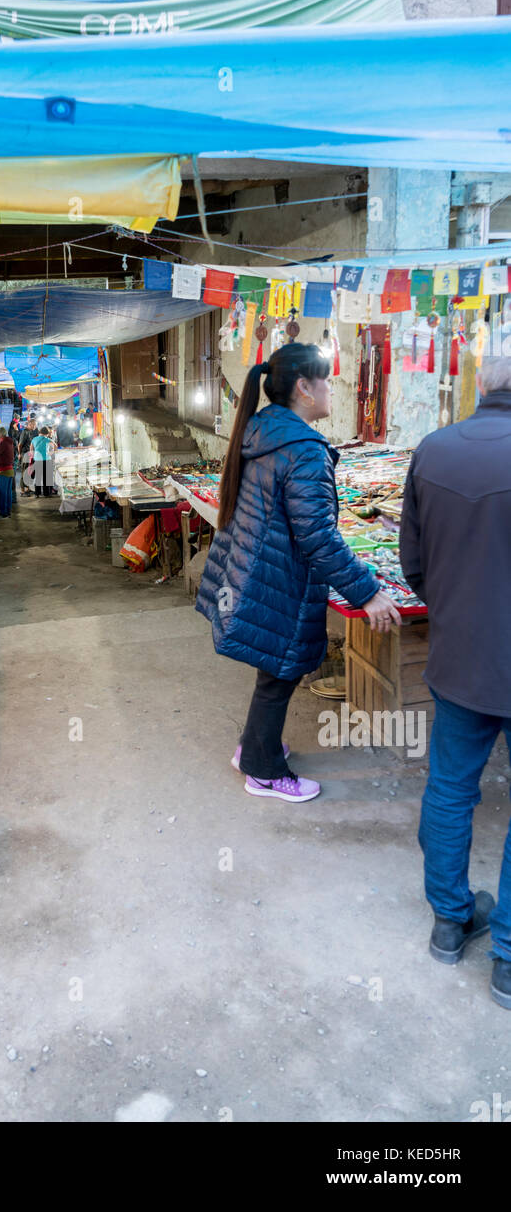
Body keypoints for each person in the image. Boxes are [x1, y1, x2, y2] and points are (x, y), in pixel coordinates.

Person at [196, 343, 400, 804]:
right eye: (327, 381)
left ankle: (253, 749)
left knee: (274, 673)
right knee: (280, 675)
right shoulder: (303, 450)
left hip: (256, 571)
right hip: (277, 579)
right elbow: (318, 538)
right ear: (305, 389)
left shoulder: (263, 430)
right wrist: (367, 593)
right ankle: (264, 771)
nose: (333, 389)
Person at [399, 357, 511, 1010]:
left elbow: (414, 563)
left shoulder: (434, 449)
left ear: (481, 387)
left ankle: (448, 919)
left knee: (448, 789)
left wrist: (455, 613)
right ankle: (506, 961)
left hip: (459, 660)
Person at [0, 427, 15, 518]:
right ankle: (8, 511)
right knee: (8, 493)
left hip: (4, 471)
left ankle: (3, 513)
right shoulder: (9, 442)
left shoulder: (3, 443)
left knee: (2, 493)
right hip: (10, 470)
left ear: (0, 434)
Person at [31, 426, 57, 497]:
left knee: (38, 477)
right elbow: (55, 447)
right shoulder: (47, 439)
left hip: (37, 459)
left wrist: (34, 456)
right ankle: (46, 493)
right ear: (47, 433)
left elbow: (31, 449)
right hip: (46, 459)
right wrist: (50, 453)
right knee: (47, 477)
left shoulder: (34, 439)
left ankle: (37, 493)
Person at [19, 413, 39, 494]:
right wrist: (20, 454)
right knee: (24, 471)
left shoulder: (32, 432)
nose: (35, 427)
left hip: (31, 454)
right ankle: (23, 489)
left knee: (29, 471)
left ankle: (28, 487)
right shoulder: (25, 432)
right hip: (25, 454)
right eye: (34, 425)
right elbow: (20, 444)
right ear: (30, 424)